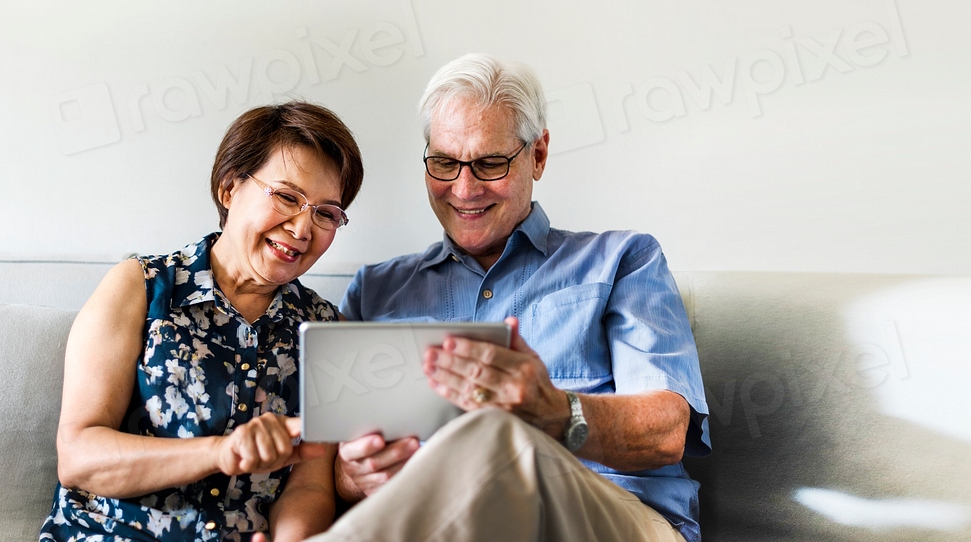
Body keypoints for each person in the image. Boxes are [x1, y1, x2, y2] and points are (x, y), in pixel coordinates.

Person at [321, 54, 710, 542]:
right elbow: (331, 466)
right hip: (435, 525)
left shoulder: (622, 261)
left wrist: (556, 413)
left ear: (538, 155)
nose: (463, 189)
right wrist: (351, 480)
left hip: (615, 520)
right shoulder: (374, 291)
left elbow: (667, 432)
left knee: (494, 433)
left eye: (489, 163)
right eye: (444, 162)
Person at [40, 102, 364, 542]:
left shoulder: (325, 328)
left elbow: (309, 486)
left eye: (326, 213)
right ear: (229, 189)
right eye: (288, 196)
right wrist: (221, 452)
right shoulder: (140, 286)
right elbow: (79, 457)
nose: (303, 228)